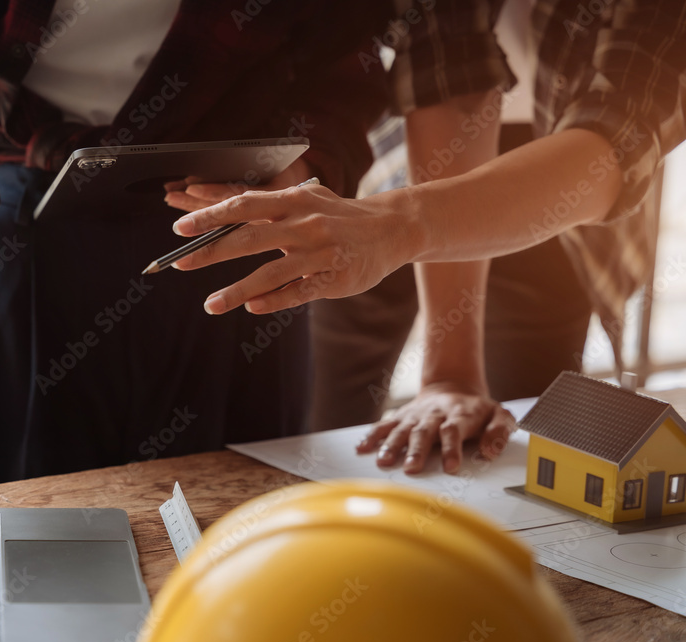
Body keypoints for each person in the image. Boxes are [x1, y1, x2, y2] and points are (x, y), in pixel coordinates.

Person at [0, 0, 393, 505]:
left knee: (237, 542)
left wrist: (292, 176)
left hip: (235, 222)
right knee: (17, 548)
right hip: (17, 232)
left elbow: (345, 54)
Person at [168, 0, 686, 474]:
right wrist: (450, 372)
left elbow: (618, 135)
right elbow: (448, 73)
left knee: (523, 443)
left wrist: (399, 228)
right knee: (330, 418)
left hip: (558, 182)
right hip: (404, 162)